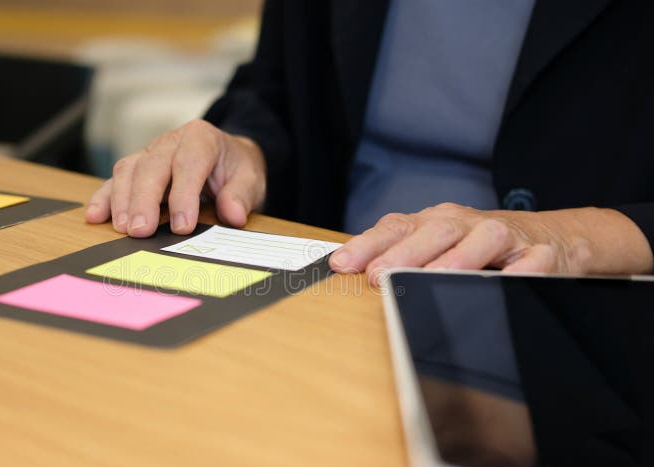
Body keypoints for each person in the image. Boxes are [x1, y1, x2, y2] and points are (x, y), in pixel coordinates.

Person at [86, 0, 654, 284]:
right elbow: (279, 89)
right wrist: (244, 149)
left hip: (581, 332)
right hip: (332, 286)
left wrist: (568, 237)